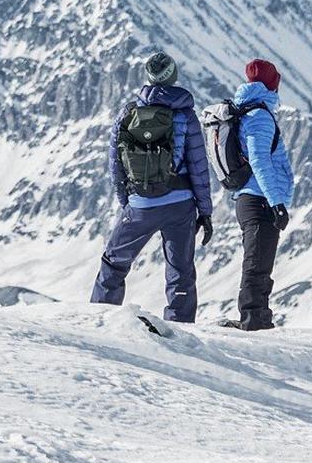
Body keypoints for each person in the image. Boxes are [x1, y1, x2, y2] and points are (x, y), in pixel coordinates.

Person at [87, 50, 217, 322]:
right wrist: (204, 212)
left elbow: (116, 163)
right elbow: (198, 167)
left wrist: (128, 201)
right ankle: (180, 327)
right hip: (180, 205)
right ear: (174, 77)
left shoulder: (129, 113)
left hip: (140, 204)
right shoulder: (185, 116)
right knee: (180, 270)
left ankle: (100, 316)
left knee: (115, 261)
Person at [221, 59, 294, 330]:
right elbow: (260, 160)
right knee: (257, 264)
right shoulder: (259, 116)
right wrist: (277, 202)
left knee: (259, 261)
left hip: (249, 198)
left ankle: (258, 316)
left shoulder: (246, 111)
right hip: (259, 200)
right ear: (271, 83)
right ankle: (253, 319)